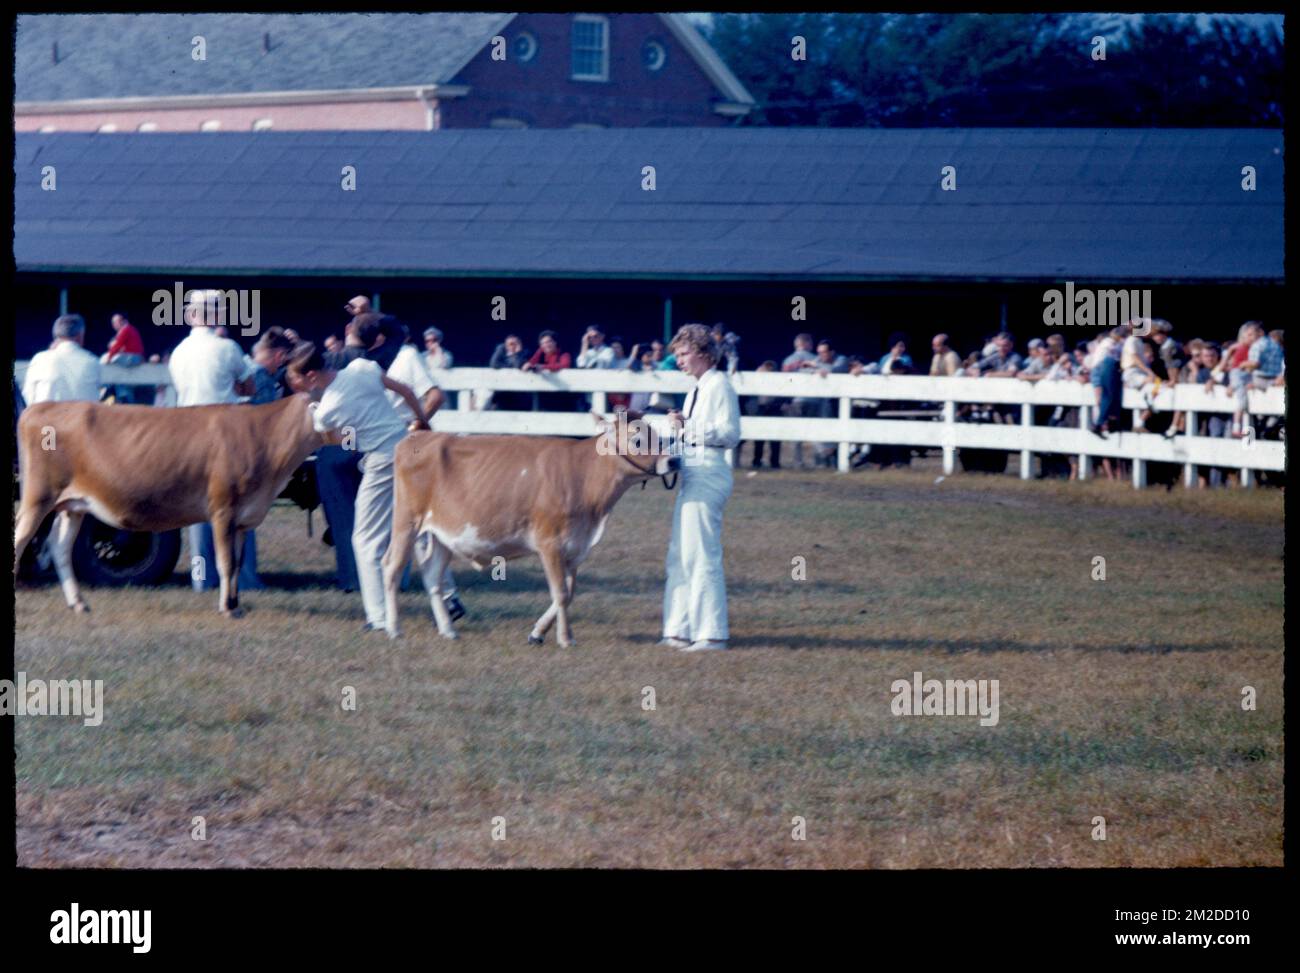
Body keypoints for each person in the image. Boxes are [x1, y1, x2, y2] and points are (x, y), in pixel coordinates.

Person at [285, 342, 437, 632]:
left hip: (383, 461)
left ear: (313, 376)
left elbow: (338, 440)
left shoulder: (326, 409)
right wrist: (422, 421)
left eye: (301, 381)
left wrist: (316, 409)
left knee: (365, 539)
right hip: (409, 449)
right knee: (419, 529)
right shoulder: (361, 367)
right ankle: (448, 599)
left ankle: (379, 618)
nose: (300, 386)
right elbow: (404, 390)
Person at [168, 289, 262, 592]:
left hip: (186, 432)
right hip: (224, 432)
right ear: (217, 315)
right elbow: (250, 387)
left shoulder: (179, 351)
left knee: (198, 510)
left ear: (191, 315)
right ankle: (243, 577)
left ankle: (201, 576)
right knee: (238, 508)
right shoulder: (227, 347)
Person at [661, 324, 741, 652]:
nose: (679, 360)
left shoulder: (719, 384)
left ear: (704, 353)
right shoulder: (696, 389)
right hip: (693, 473)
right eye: (677, 355)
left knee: (701, 554)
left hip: (709, 473)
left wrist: (687, 427)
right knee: (680, 553)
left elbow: (730, 433)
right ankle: (678, 630)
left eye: (684, 353)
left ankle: (712, 634)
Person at [22, 314, 103, 405]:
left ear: (56, 335)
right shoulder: (92, 361)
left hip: (46, 417)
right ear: (80, 334)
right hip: (82, 417)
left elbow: (28, 396)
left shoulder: (40, 359)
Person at [744, 359, 783, 469]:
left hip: (774, 408)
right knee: (759, 438)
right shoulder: (757, 379)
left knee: (775, 438)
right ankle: (757, 460)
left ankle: (774, 462)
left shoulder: (778, 380)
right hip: (761, 408)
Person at [104, 312, 146, 403]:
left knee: (110, 360)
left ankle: (105, 386)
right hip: (132, 359)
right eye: (113, 322)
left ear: (123, 321)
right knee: (122, 378)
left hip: (133, 358)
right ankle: (117, 392)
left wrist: (109, 358)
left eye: (116, 321)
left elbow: (117, 346)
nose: (114, 324)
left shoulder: (126, 329)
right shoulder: (128, 330)